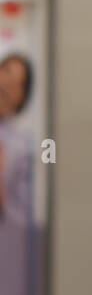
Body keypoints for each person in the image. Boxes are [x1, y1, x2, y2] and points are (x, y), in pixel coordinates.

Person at [0, 53, 35, 225]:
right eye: (6, 71)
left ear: (22, 98)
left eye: (17, 83)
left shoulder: (24, 148)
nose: (7, 83)